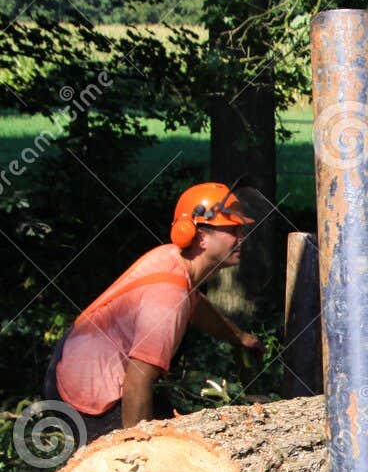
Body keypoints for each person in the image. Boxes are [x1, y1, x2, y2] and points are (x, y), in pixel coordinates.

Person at [44, 182, 264, 442]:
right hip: (85, 399)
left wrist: (239, 337)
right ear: (201, 236)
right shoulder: (168, 297)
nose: (242, 237)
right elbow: (137, 381)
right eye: (232, 230)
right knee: (158, 454)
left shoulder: (174, 260)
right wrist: (141, 455)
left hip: (71, 361)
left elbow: (197, 303)